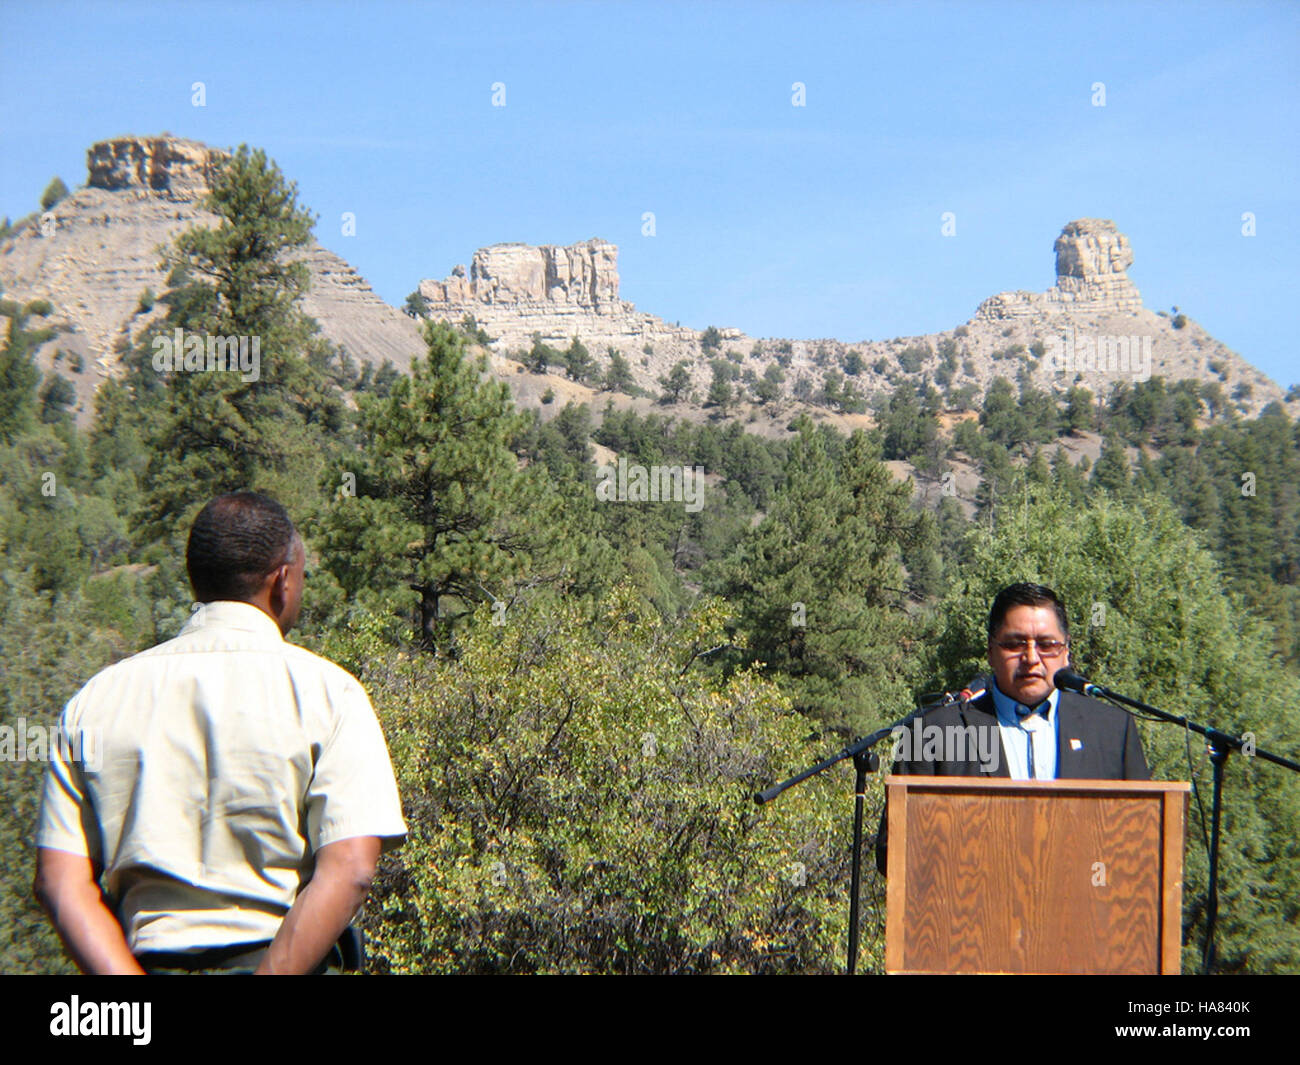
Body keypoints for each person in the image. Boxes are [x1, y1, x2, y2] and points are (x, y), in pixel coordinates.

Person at [33, 491, 407, 974]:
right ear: (283, 581)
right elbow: (352, 868)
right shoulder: (331, 694)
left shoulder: (95, 701)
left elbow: (59, 882)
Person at [875, 582, 1148, 873]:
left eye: (1047, 644)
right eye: (1015, 644)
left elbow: (1143, 841)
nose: (1031, 658)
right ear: (991, 652)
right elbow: (894, 853)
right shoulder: (933, 733)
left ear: (1066, 651)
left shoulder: (1111, 730)